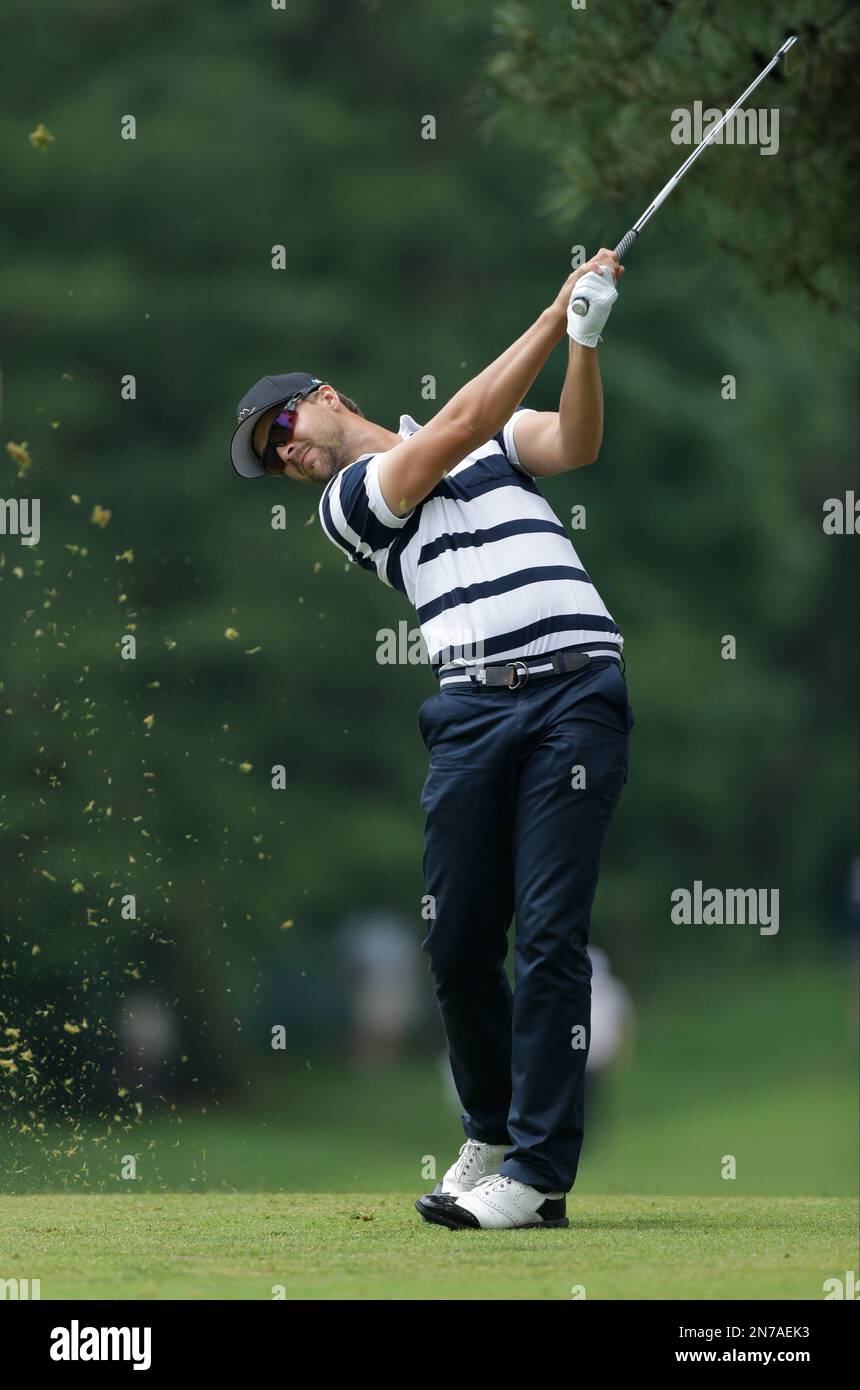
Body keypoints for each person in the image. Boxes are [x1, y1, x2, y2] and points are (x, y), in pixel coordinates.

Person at [230, 251, 633, 1230]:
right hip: (470, 715)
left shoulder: (494, 447)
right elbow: (459, 422)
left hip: (574, 696)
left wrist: (581, 341)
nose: (284, 454)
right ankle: (488, 1133)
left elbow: (571, 442)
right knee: (456, 946)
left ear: (325, 397)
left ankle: (535, 1176)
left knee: (546, 938)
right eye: (269, 457)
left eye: (280, 428)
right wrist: (549, 312)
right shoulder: (351, 503)